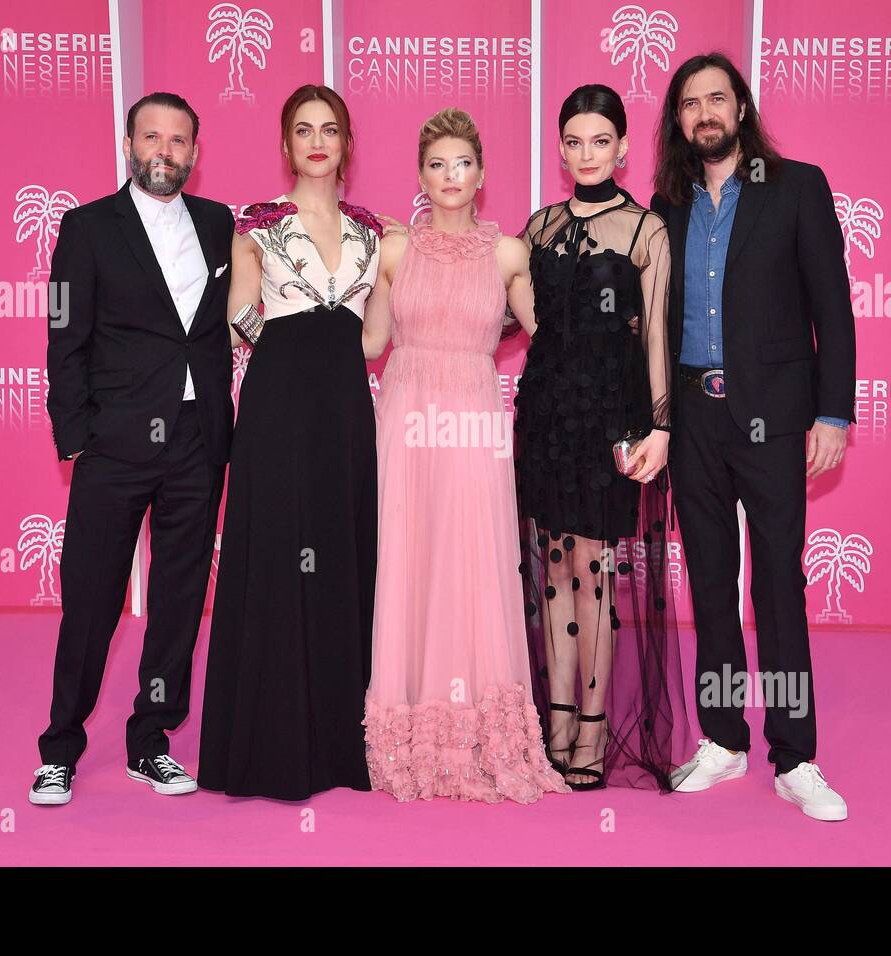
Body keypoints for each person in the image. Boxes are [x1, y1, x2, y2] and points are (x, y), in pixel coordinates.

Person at [651, 53, 855, 821]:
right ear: (678, 121)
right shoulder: (665, 204)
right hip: (695, 420)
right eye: (690, 104)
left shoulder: (795, 187)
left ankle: (796, 756)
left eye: (716, 99)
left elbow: (831, 308)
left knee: (776, 585)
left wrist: (833, 414)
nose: (704, 113)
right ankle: (724, 738)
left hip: (772, 416)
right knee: (709, 584)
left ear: (740, 107)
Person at [360, 108, 570, 803]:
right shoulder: (394, 249)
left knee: (473, 562)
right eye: (437, 165)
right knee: (409, 559)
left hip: (475, 422)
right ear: (421, 176)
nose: (451, 177)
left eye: (463, 164)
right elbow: (367, 344)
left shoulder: (508, 252)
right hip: (407, 416)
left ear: (481, 173)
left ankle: (485, 733)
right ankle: (407, 727)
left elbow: (549, 332)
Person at [32, 92, 234, 805]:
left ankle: (150, 741)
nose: (164, 151)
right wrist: (76, 440)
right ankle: (59, 746)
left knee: (179, 600)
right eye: (152, 136)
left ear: (194, 155)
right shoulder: (85, 228)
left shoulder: (217, 224)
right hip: (114, 444)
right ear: (129, 143)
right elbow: (64, 336)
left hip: (197, 439)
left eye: (178, 141)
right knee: (91, 599)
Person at [197, 85, 382, 801]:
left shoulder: (375, 232)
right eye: (302, 129)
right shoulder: (256, 226)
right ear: (285, 144)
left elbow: (375, 336)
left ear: (345, 144)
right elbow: (241, 315)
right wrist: (290, 340)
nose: (316, 141)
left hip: (344, 406)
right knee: (277, 553)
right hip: (277, 403)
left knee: (339, 553)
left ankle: (340, 745)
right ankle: (269, 749)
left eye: (329, 129)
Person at [514, 84, 686, 791]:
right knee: (551, 573)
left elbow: (654, 346)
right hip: (546, 416)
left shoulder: (646, 232)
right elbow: (507, 315)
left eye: (600, 140)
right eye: (574, 141)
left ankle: (589, 740)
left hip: (608, 419)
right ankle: (554, 728)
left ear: (620, 147)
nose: (587, 153)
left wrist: (661, 425)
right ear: (561, 150)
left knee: (593, 577)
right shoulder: (538, 226)